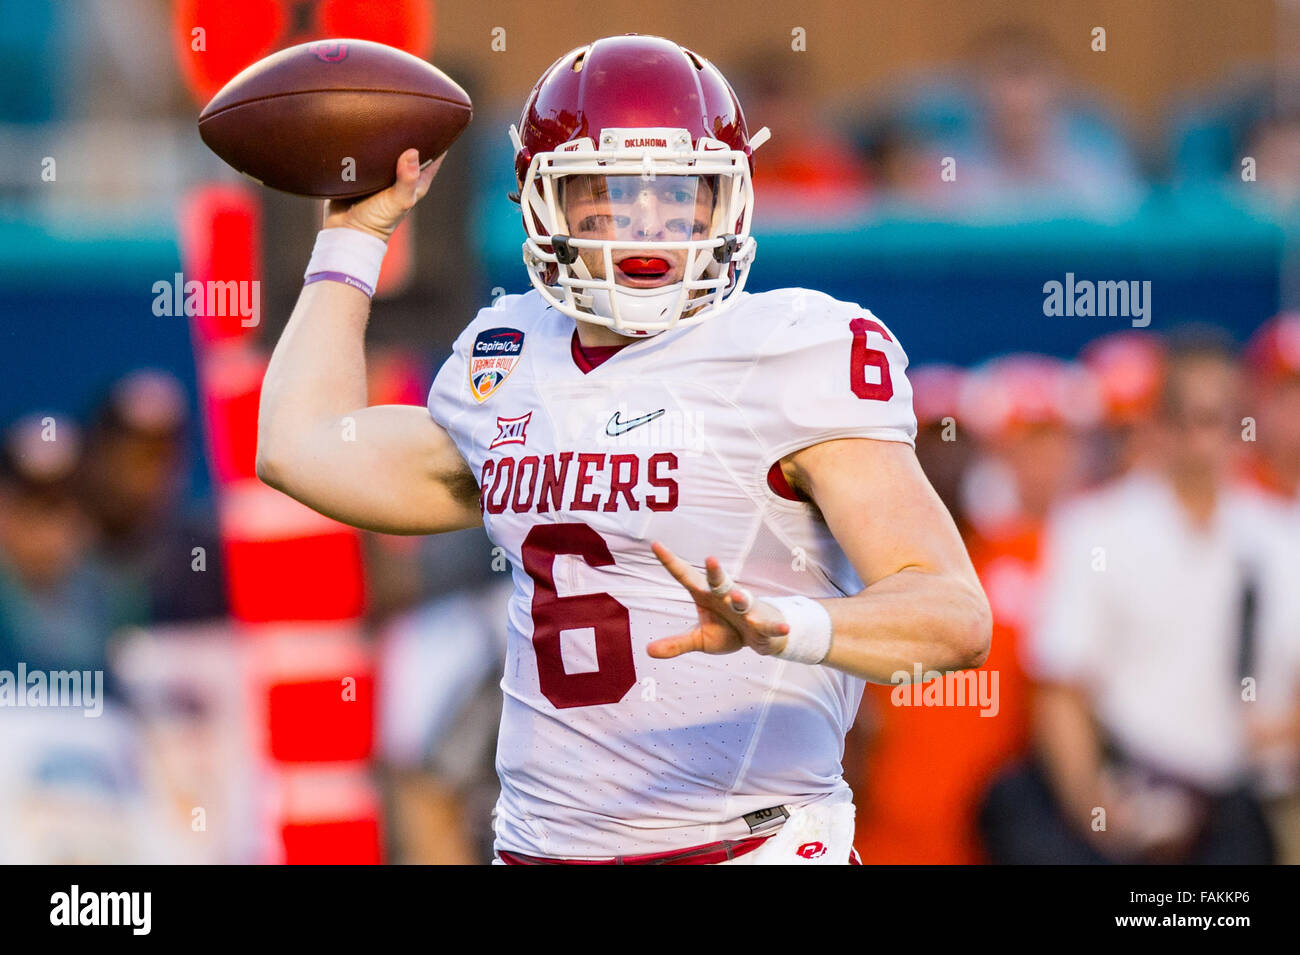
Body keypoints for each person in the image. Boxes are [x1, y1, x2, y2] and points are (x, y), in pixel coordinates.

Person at [255, 34, 990, 865]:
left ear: (731, 200)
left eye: (681, 193)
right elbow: (298, 448)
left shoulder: (792, 348)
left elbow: (952, 617)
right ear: (542, 204)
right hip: (539, 851)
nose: (647, 222)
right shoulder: (511, 353)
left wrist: (782, 623)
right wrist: (355, 235)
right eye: (608, 193)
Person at [980, 329, 1300, 864]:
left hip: (1244, 810)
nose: (1210, 438)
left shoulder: (1279, 536)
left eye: (1225, 417)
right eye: (1194, 417)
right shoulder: (1096, 529)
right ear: (1162, 425)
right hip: (1135, 797)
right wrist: (1096, 812)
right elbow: (1062, 689)